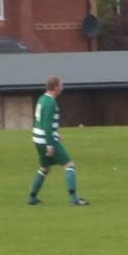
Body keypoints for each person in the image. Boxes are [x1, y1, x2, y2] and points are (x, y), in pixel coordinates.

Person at [29, 76, 88, 205]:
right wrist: (50, 144)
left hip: (37, 139)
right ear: (55, 87)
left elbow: (41, 121)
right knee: (69, 165)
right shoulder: (51, 102)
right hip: (46, 140)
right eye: (61, 85)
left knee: (44, 168)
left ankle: (32, 198)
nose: (62, 87)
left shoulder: (42, 98)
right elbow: (46, 124)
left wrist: (56, 133)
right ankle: (74, 199)